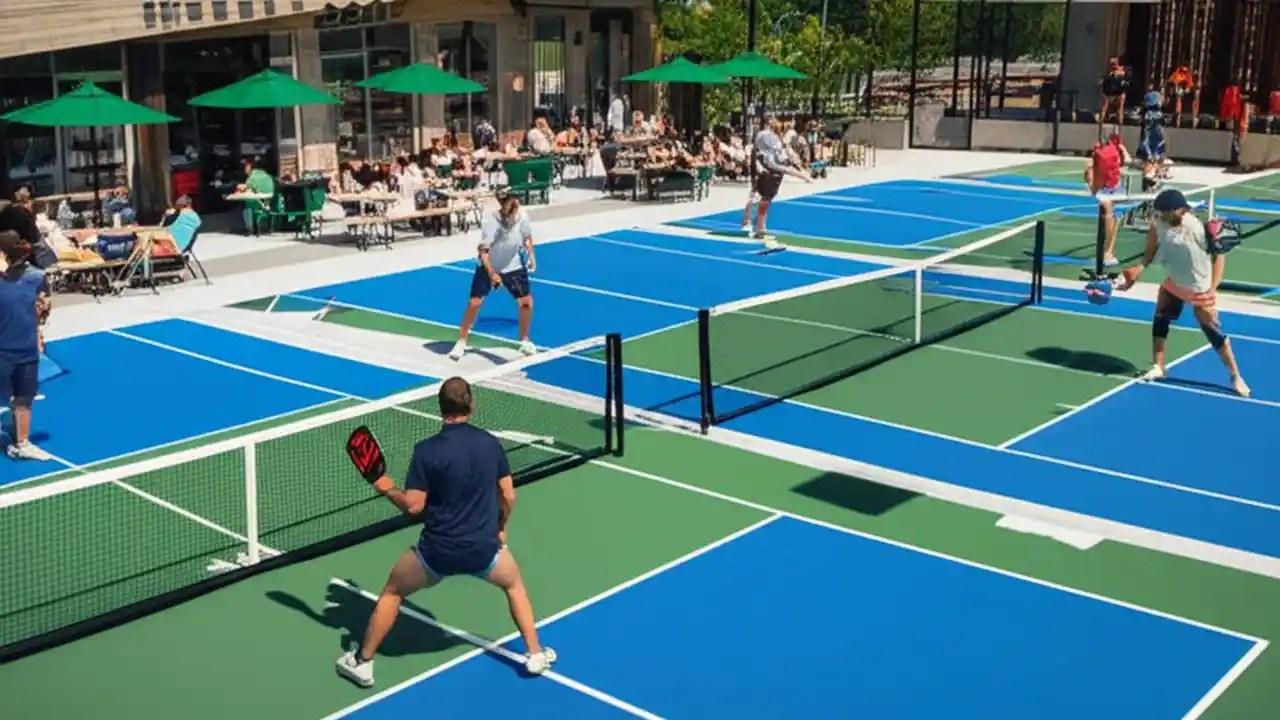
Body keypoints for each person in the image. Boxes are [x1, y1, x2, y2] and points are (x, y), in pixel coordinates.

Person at [336, 376, 556, 688]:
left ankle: (362, 662)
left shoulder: (426, 451)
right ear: (471, 404)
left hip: (437, 553)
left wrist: (385, 487)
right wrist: (500, 529)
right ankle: (535, 653)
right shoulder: (489, 443)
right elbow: (509, 495)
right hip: (484, 549)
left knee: (393, 592)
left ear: (440, 408)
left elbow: (414, 506)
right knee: (514, 585)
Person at [1116, 190, 1250, 398]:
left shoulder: (1198, 228)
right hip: (1174, 283)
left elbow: (1219, 257)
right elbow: (1151, 244)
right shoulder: (1158, 222)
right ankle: (1158, 366)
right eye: (1159, 211)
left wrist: (1212, 290)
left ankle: (1235, 375)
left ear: (1178, 210)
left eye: (1164, 211)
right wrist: (1139, 268)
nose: (1160, 214)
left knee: (1213, 332)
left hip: (1199, 289)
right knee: (1161, 317)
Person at [448, 193, 536, 360]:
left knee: (526, 302)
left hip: (513, 264)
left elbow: (527, 237)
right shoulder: (491, 221)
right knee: (475, 303)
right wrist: (492, 273)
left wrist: (531, 256)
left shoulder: (523, 216)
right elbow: (483, 251)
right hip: (488, 265)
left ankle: (525, 340)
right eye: (511, 201)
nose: (515, 204)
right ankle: (461, 341)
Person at [0, 231, 53, 461]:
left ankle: (21, 444)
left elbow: (42, 308)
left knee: (24, 398)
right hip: (2, 351)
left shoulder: (35, 278)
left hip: (26, 350)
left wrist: (38, 331)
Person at [742, 115, 813, 250]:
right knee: (760, 198)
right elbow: (760, 154)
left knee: (765, 199)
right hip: (769, 170)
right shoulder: (765, 136)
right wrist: (800, 173)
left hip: (773, 171)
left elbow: (783, 153)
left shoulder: (777, 138)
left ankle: (758, 226)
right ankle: (755, 226)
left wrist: (797, 165)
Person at [1084, 134, 1128, 266]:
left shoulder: (1112, 151)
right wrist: (1091, 184)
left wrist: (1092, 185)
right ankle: (1107, 252)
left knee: (1113, 217)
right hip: (1106, 189)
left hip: (1112, 188)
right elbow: (1090, 170)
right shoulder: (1099, 152)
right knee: (1110, 216)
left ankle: (1108, 252)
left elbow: (1126, 160)